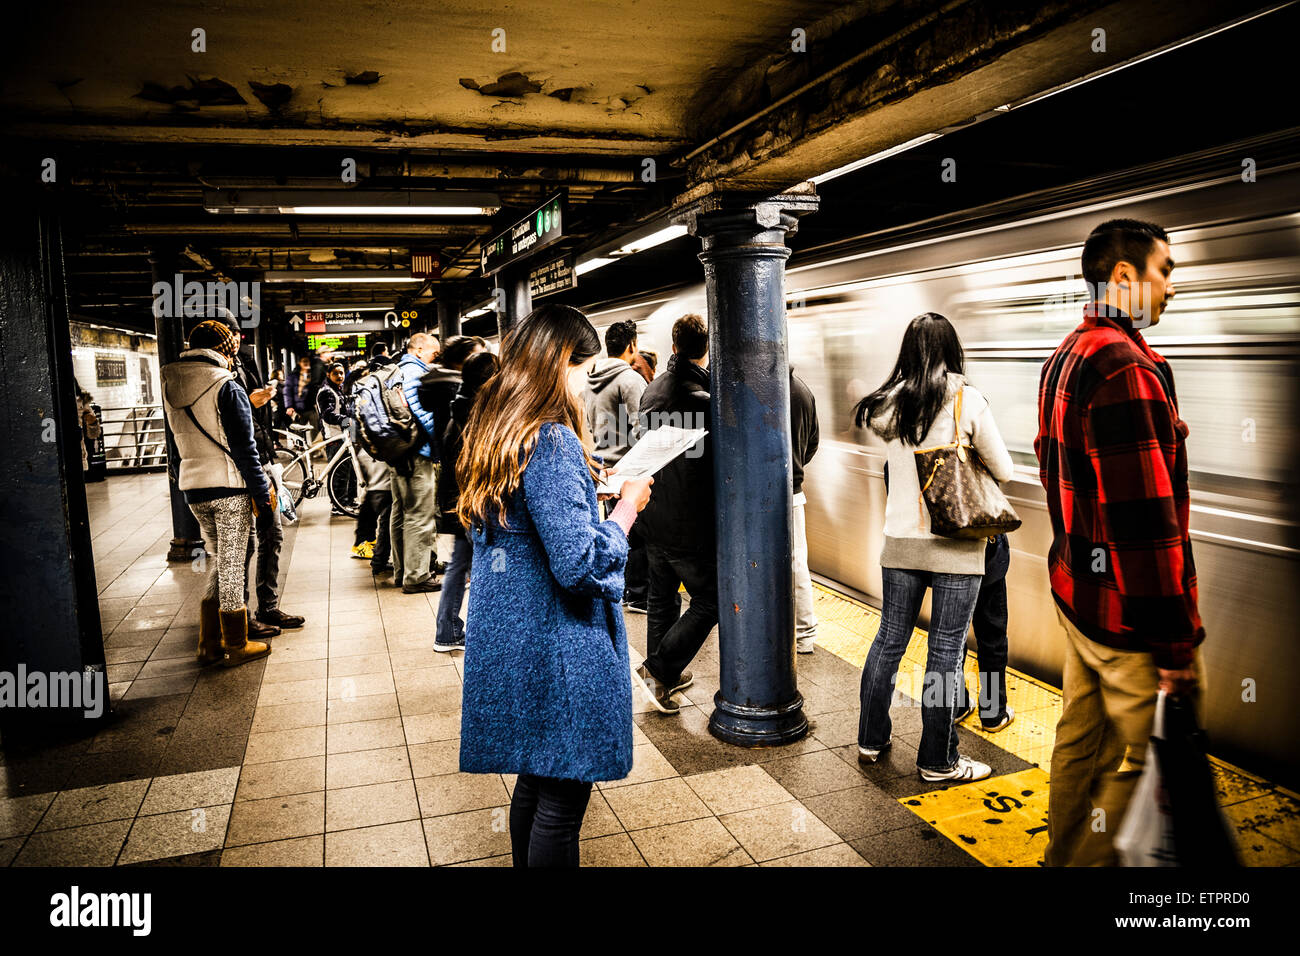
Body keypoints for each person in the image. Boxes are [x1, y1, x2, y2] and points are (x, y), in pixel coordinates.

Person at [456, 303, 654, 867]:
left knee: (536, 778)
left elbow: (523, 523)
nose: (583, 383)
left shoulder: (492, 424)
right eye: (580, 368)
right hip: (557, 640)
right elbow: (581, 563)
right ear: (560, 362)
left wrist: (593, 495)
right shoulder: (551, 438)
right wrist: (628, 510)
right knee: (562, 801)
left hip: (514, 632)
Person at [1037, 219, 1204, 867]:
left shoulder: (1067, 355)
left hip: (1079, 598)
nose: (1171, 287)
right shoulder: (1125, 368)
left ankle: (1060, 856)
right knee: (1149, 768)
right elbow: (1144, 523)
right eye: (1166, 271)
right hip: (1127, 618)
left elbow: (1061, 478)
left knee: (1081, 742)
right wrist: (1174, 645)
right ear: (1127, 277)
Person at [853, 312, 1014, 783]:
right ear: (951, 349)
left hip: (900, 544)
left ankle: (870, 737)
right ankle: (937, 760)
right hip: (957, 548)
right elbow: (1002, 470)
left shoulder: (887, 406)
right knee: (946, 651)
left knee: (888, 641)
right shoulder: (967, 399)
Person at [160, 319, 275, 668]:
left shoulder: (170, 382)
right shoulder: (227, 385)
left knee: (220, 559)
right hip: (229, 487)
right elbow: (245, 447)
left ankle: (208, 643)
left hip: (194, 489)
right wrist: (262, 493)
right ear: (225, 348)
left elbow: (175, 443)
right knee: (232, 564)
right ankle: (236, 643)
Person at [630, 314, 717, 714]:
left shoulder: (652, 390)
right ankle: (661, 671)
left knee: (661, 597)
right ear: (706, 347)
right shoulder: (704, 398)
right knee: (711, 599)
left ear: (674, 344)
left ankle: (660, 680)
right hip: (687, 522)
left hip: (651, 514)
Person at [213, 311, 304, 637]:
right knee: (244, 545)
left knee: (272, 534)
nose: (234, 340)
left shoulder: (245, 363)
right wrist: (250, 404)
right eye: (228, 334)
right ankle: (243, 615)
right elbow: (224, 422)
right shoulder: (213, 374)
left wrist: (262, 401)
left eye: (236, 333)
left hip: (262, 459)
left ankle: (268, 605)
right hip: (234, 469)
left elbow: (250, 415)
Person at [435, 349, 499, 652]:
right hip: (472, 508)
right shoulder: (476, 416)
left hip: (459, 505)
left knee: (459, 567)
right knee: (491, 569)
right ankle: (475, 632)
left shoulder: (460, 409)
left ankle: (447, 631)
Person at [583, 320, 649, 612]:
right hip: (627, 470)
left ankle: (623, 588)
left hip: (601, 468)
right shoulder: (630, 380)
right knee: (638, 534)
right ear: (631, 345)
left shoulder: (589, 380)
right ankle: (637, 593)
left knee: (617, 528)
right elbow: (644, 428)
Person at [419, 335, 488, 573]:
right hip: (461, 464)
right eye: (476, 355)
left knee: (454, 525)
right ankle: (463, 569)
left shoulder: (437, 382)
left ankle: (455, 569)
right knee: (461, 521)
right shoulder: (456, 390)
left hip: (444, 458)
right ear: (465, 359)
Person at [389, 332, 442, 593]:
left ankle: (401, 571)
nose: (436, 357)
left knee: (400, 511)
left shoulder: (397, 370)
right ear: (419, 350)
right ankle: (417, 575)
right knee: (419, 514)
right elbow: (421, 412)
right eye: (434, 352)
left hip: (398, 452)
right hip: (416, 452)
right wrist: (440, 438)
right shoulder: (413, 372)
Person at [952, 534, 1014, 731]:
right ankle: (992, 713)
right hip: (985, 555)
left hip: (948, 560)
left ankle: (957, 705)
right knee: (992, 637)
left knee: (950, 640)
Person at [790, 366, 820, 654]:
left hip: (751, 495)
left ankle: (799, 632)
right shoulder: (802, 389)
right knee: (797, 564)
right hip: (792, 492)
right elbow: (812, 442)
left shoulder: (745, 386)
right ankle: (804, 634)